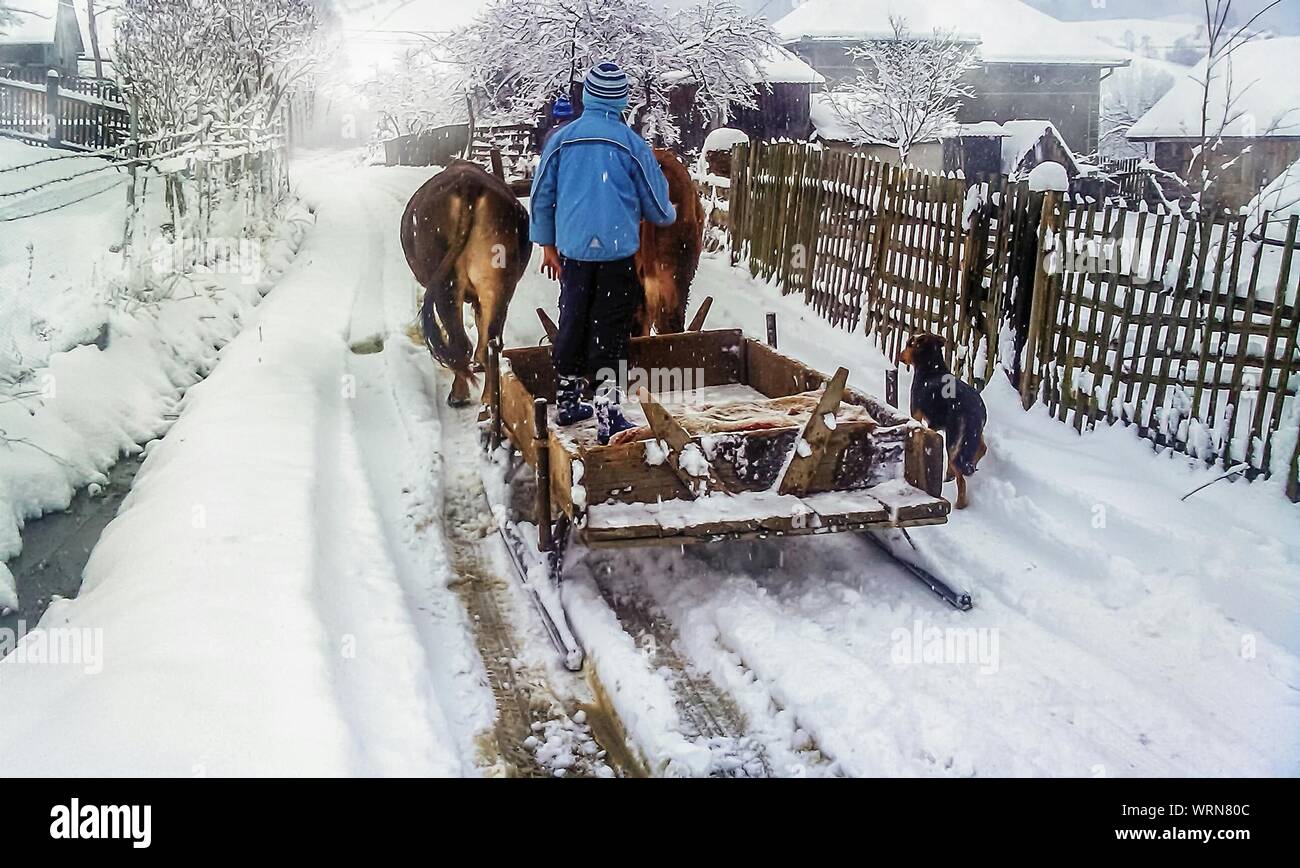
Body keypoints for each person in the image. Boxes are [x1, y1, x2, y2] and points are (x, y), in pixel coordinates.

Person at [529, 61, 676, 444]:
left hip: (573, 257)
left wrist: (547, 245)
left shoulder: (562, 139)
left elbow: (541, 196)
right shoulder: (631, 144)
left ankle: (567, 402)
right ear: (622, 100)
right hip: (615, 258)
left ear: (588, 97)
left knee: (573, 320)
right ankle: (608, 416)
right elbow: (661, 211)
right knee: (609, 332)